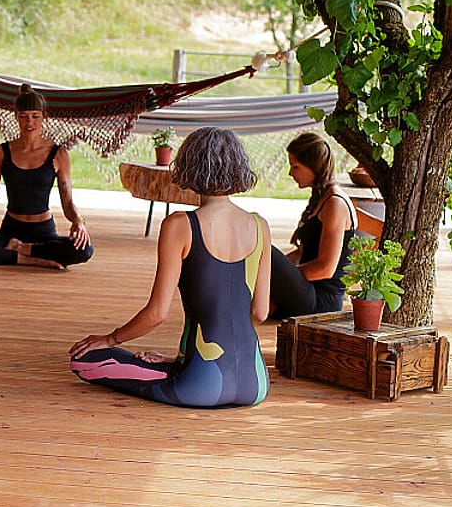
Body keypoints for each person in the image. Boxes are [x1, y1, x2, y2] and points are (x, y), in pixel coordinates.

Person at [69, 127, 271, 408]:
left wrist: (110, 338)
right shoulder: (260, 226)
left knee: (85, 360)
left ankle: (183, 367)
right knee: (170, 365)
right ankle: (182, 365)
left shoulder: (180, 225)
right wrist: (175, 360)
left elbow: (157, 314)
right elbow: (260, 313)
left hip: (201, 386)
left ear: (189, 167)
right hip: (256, 383)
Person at [0, 84, 93, 270]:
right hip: (10, 231)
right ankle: (30, 259)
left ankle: (21, 249)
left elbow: (67, 201)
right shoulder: (1, 152)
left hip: (44, 232)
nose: (29, 123)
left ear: (44, 117)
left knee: (85, 250)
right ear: (16, 117)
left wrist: (78, 222)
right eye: (23, 117)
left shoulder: (59, 154)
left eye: (35, 117)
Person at [269, 132, 358, 318]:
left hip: (321, 299)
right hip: (307, 291)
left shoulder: (335, 203)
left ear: (314, 167)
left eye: (295, 167)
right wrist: (279, 274)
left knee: (264, 248)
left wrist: (283, 277)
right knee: (263, 266)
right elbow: (301, 253)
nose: (290, 173)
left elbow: (326, 268)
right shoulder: (322, 198)